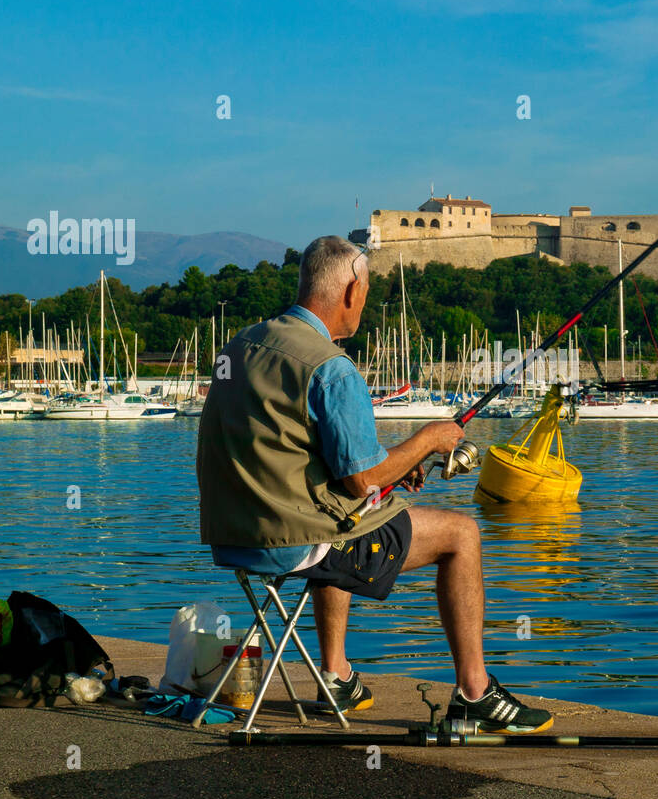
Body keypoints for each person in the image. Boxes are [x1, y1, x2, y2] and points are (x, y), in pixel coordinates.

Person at [196, 235, 551, 733]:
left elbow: (299, 453)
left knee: (355, 511)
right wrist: (428, 441)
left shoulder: (241, 345)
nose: (365, 303)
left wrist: (390, 465)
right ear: (350, 289)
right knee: (461, 535)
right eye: (366, 292)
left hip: (235, 536)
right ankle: (475, 691)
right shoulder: (330, 367)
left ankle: (336, 673)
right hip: (297, 542)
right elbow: (362, 478)